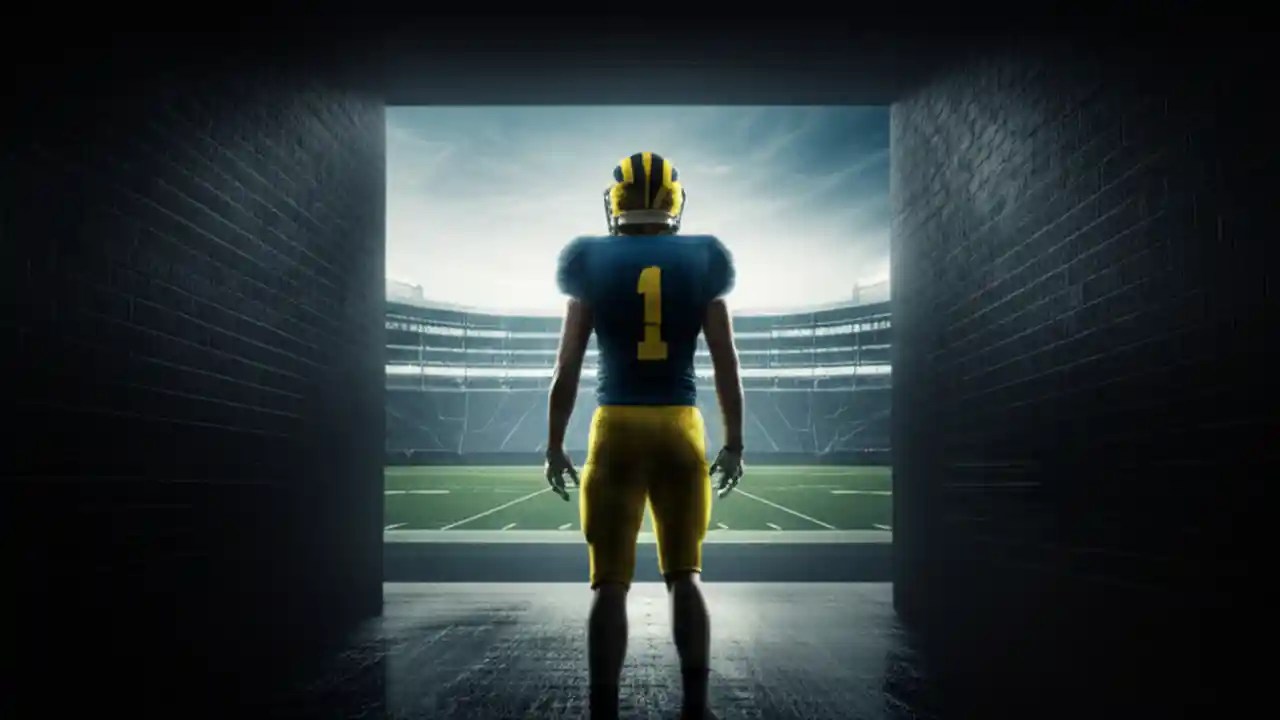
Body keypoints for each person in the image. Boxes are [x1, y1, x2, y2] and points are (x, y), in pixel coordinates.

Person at [544, 152, 745, 720]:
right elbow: (727, 365)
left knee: (610, 585)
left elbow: (567, 370)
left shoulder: (590, 258)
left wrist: (555, 443)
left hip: (617, 427)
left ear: (617, 202)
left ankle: (603, 710)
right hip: (681, 425)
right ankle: (697, 707)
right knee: (685, 575)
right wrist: (735, 442)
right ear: (673, 202)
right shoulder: (704, 257)